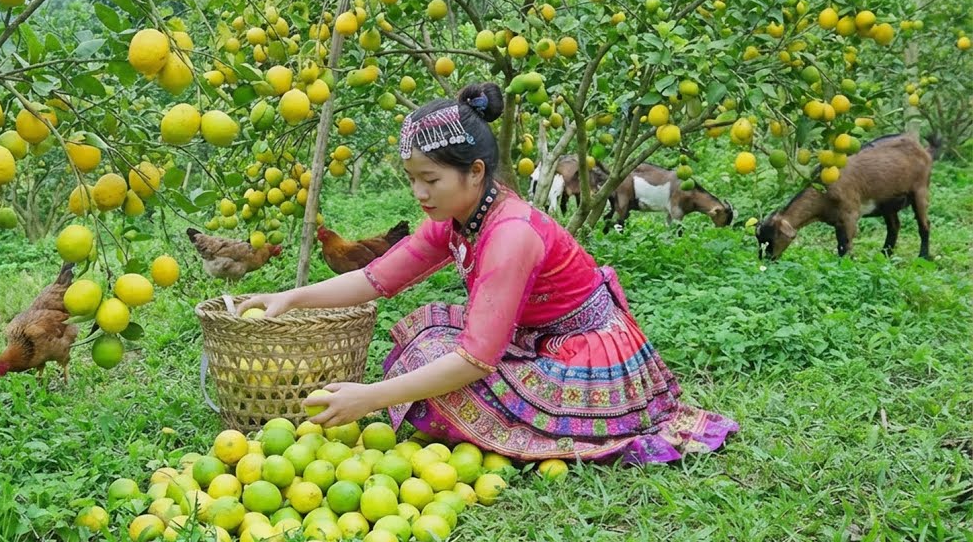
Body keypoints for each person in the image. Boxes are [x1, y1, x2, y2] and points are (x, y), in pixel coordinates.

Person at [237, 83, 738, 465]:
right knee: (426, 338)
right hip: (535, 336)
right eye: (413, 180)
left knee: (441, 373)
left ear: (475, 172)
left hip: (586, 354)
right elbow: (376, 280)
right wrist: (290, 297)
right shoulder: (460, 219)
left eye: (430, 180)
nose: (419, 193)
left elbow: (476, 360)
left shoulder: (509, 234)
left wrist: (369, 398)